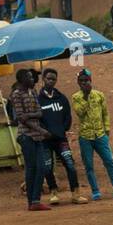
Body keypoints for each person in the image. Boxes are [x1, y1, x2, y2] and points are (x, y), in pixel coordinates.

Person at [72, 69, 113, 200]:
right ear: (78, 83)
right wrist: (85, 97)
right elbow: (80, 113)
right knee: (89, 165)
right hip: (85, 136)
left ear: (91, 81)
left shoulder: (99, 95)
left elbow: (105, 113)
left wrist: (107, 130)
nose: (84, 83)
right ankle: (95, 191)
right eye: (81, 81)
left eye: (86, 80)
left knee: (110, 161)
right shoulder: (76, 97)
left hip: (100, 134)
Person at [37, 68, 86, 205]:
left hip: (61, 139)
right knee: (47, 167)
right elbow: (37, 120)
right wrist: (45, 131)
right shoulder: (38, 100)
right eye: (48, 78)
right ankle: (53, 193)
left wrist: (62, 129)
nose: (51, 81)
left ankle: (76, 194)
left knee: (70, 165)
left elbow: (67, 117)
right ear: (43, 79)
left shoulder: (62, 98)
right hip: (45, 140)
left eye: (53, 79)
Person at [10, 68, 53, 211]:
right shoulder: (16, 95)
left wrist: (29, 116)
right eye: (29, 77)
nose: (32, 80)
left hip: (37, 136)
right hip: (26, 136)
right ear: (21, 79)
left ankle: (35, 200)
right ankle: (32, 201)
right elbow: (21, 118)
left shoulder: (33, 92)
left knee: (41, 167)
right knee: (31, 168)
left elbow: (40, 113)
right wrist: (40, 129)